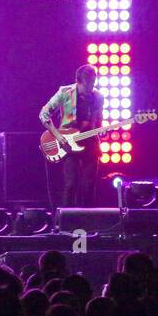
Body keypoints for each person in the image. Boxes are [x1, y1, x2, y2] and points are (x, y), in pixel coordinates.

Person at [40, 63, 105, 208]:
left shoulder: (98, 97)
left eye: (93, 83)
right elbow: (44, 114)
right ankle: (66, 221)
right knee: (71, 184)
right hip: (68, 142)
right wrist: (57, 135)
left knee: (89, 185)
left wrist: (102, 130)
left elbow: (98, 121)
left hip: (90, 142)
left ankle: (88, 222)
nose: (90, 88)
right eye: (87, 85)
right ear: (78, 82)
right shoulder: (64, 92)